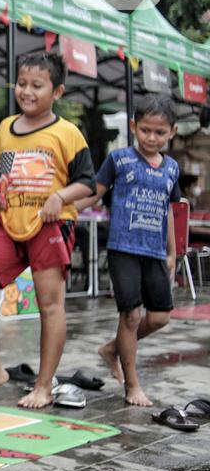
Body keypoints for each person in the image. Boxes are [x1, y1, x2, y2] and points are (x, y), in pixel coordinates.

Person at [0, 51, 95, 408]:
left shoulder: (67, 134)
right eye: (22, 83)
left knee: (51, 306)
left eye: (37, 85)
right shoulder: (6, 128)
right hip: (8, 223)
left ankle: (44, 386)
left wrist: (60, 197)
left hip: (49, 226)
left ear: (57, 91)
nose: (27, 91)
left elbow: (87, 184)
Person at [75, 96, 180, 407]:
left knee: (159, 317)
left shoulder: (172, 168)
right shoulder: (118, 160)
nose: (151, 138)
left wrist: (173, 251)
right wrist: (65, 206)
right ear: (134, 126)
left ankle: (113, 348)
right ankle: (132, 385)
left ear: (172, 132)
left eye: (159, 133)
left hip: (155, 251)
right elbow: (94, 194)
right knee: (131, 316)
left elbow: (169, 211)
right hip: (123, 248)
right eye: (145, 130)